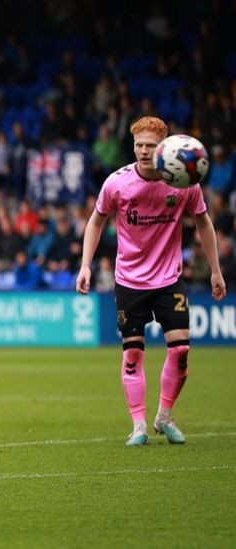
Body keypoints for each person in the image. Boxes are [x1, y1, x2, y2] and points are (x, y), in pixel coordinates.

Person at [76, 116, 227, 447]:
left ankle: (164, 416)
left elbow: (203, 224)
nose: (144, 151)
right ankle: (139, 425)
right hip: (129, 280)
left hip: (168, 279)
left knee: (182, 350)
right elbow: (95, 222)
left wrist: (215, 270)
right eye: (138, 145)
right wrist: (86, 265)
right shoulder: (117, 183)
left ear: (164, 146)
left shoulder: (183, 182)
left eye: (150, 145)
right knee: (133, 355)